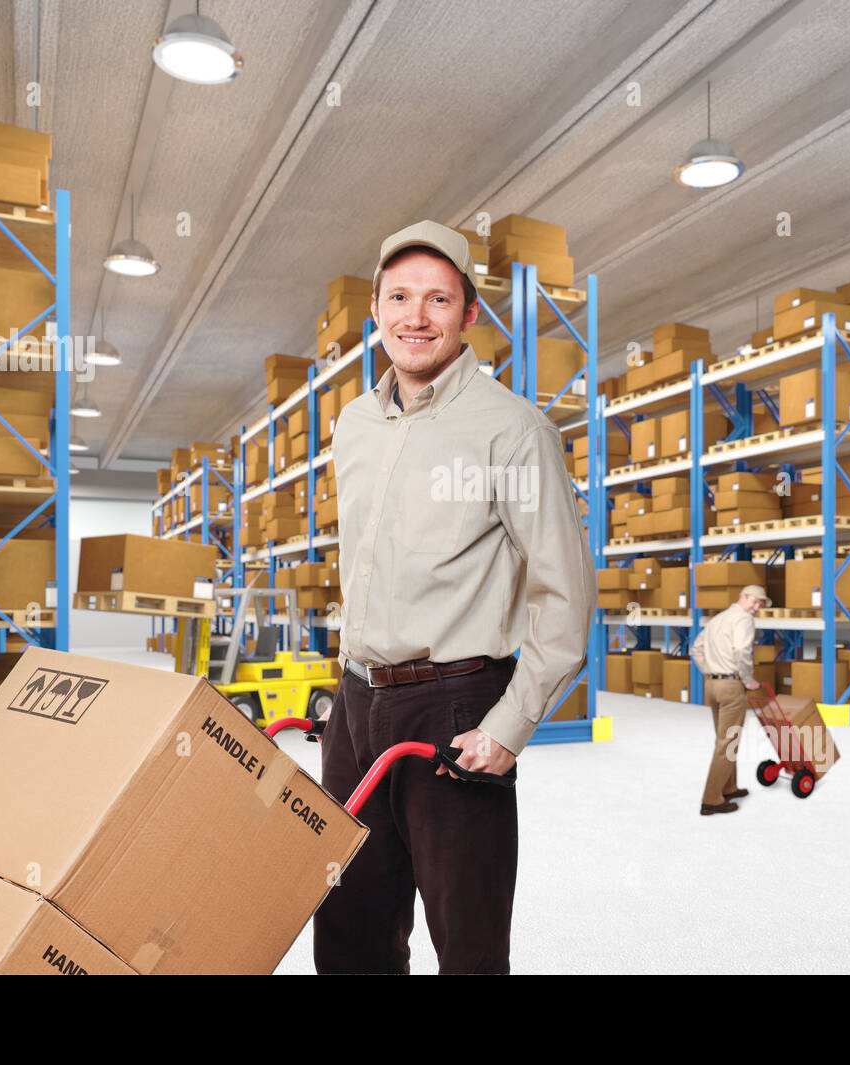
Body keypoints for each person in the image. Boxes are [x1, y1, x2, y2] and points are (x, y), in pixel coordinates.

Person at [314, 219, 595, 974]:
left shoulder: (513, 429)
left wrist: (509, 725)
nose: (416, 316)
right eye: (400, 297)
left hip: (455, 705)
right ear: (375, 308)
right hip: (357, 701)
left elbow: (564, 594)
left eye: (438, 299)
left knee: (466, 942)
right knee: (347, 928)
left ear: (469, 314)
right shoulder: (354, 424)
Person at [689, 584, 771, 815]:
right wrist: (747, 680)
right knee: (727, 743)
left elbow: (695, 649)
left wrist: (711, 671)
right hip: (731, 687)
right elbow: (742, 650)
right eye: (754, 602)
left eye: (759, 605)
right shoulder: (743, 620)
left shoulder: (717, 619)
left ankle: (729, 786)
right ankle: (712, 799)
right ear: (742, 597)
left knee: (724, 740)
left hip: (712, 686)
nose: (756, 608)